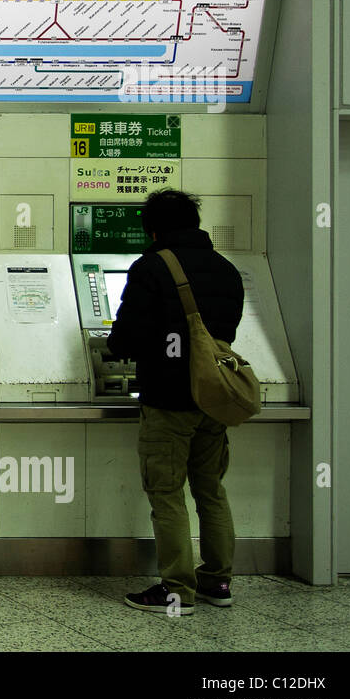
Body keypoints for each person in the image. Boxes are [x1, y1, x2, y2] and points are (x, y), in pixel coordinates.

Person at [105, 189, 245, 616]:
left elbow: (125, 338)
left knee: (166, 494)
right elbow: (227, 334)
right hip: (212, 399)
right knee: (211, 490)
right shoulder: (226, 269)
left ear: (153, 229)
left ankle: (176, 589)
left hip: (168, 401)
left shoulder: (152, 268)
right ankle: (217, 580)